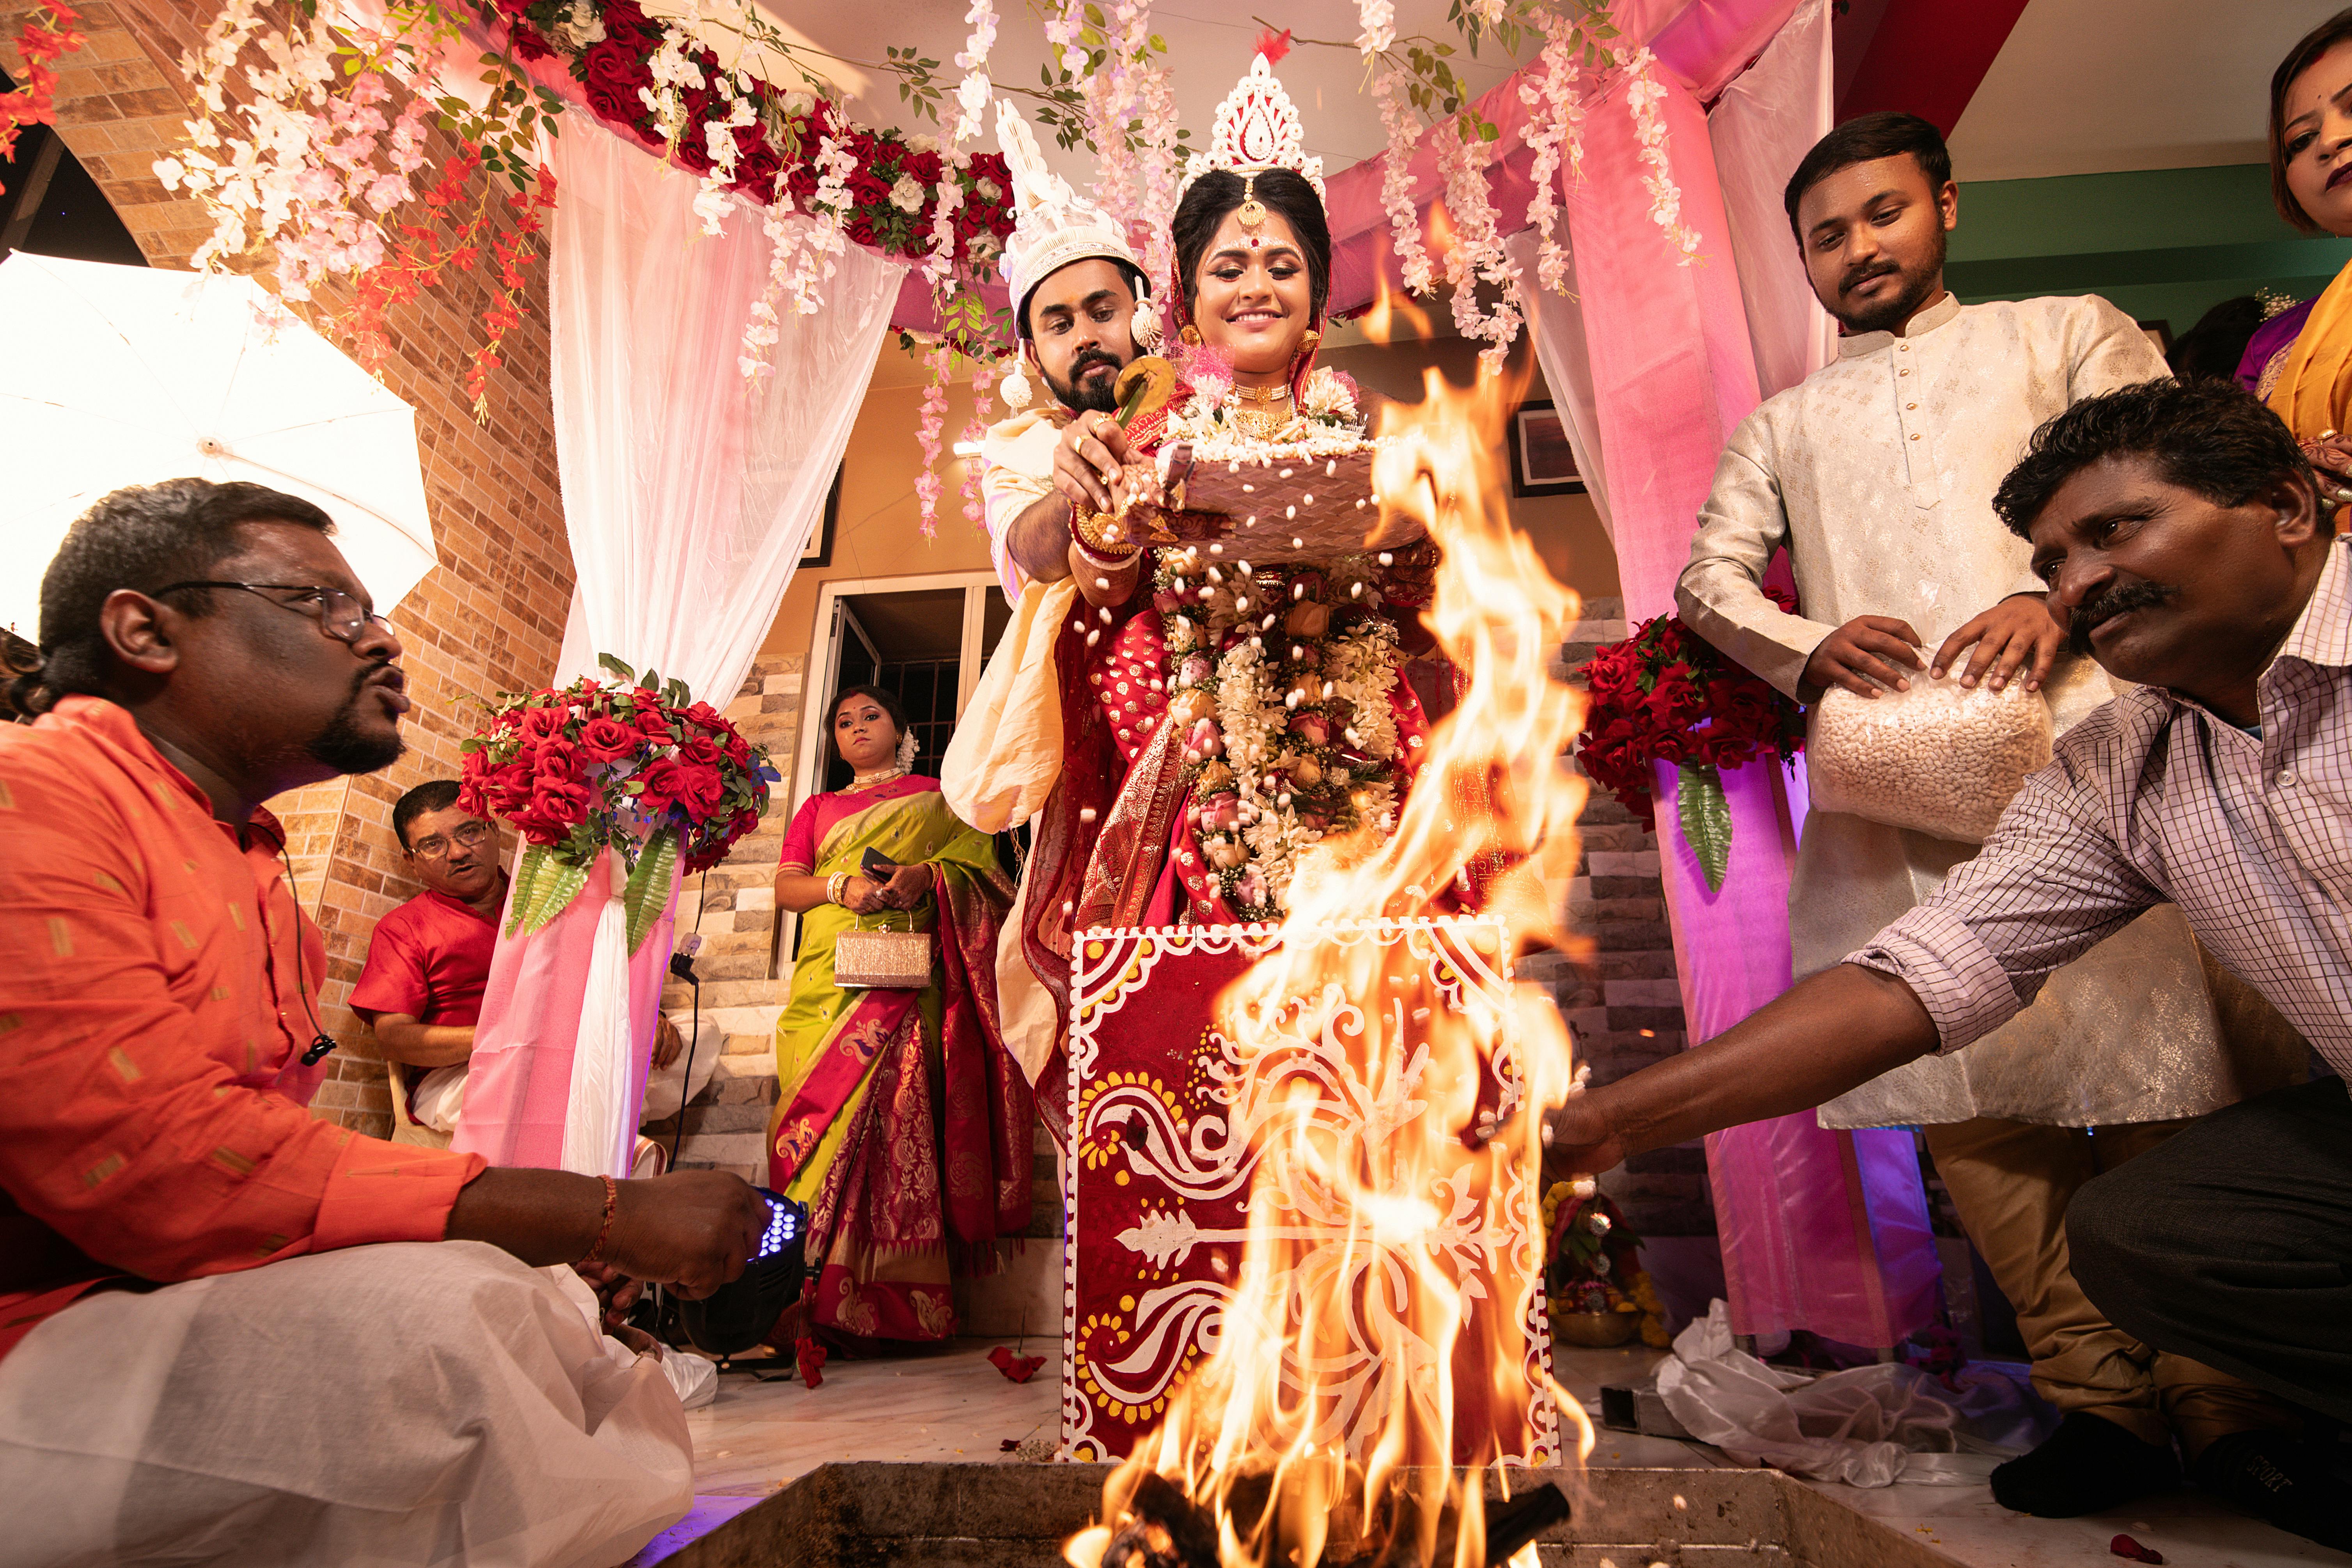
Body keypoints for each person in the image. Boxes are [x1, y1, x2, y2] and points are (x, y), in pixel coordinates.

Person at [1555, 378, 2352, 1550]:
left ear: (2287, 506)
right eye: (2055, 556)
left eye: (2119, 528)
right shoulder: (2127, 764)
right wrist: (1602, 1124)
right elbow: (1921, 974)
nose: (2079, 583)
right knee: (2152, 1226)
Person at [1676, 110, 2308, 1518]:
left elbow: (2161, 469)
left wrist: (2056, 591)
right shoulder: (1782, 421)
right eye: (1828, 234)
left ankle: (2226, 1398)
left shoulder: (2063, 329)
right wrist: (1808, 645)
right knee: (1960, 1093)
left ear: (1946, 206)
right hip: (1895, 784)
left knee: (2160, 1070)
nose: (1859, 248)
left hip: (2102, 752)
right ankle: (2099, 1400)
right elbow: (1707, 583)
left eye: (1883, 213)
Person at [0, 478, 768, 1567]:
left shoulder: (252, 864)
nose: (379, 642)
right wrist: (601, 1211)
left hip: (142, 1306)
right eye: (329, 609)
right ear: (145, 629)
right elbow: (163, 1160)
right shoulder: (33, 793)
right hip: (35, 1337)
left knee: (536, 1317)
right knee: (458, 1334)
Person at [952, 56, 1443, 1119]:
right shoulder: (1143, 434)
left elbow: (1429, 616)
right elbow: (1084, 565)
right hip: (1186, 771)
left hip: (1364, 756)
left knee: (1374, 1039)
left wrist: (1414, 565)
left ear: (1319, 286)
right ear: (1186, 296)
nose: (1254, 286)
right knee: (1210, 1050)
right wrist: (1101, 518)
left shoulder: (1373, 431)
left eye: (1280, 264)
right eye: (1228, 267)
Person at [767, 685, 1027, 1345]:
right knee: (816, 1129)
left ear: (902, 728)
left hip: (905, 976)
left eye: (871, 716)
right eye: (843, 722)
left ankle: (896, 1307)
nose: (856, 728)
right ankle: (806, 1298)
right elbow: (787, 888)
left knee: (899, 1112)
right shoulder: (819, 807)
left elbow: (989, 879)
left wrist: (927, 874)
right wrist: (840, 886)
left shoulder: (942, 799)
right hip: (827, 980)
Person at [353, 779, 711, 1154]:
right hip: (464, 1074)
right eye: (433, 845)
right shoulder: (404, 928)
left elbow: (601, 976)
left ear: (494, 832)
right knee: (560, 1077)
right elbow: (393, 1039)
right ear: (411, 861)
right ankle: (597, 1141)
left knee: (700, 1034)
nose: (458, 852)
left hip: (567, 1051)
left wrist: (641, 1021)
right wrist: (504, 1036)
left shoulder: (552, 897)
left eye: (470, 832)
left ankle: (595, 1126)